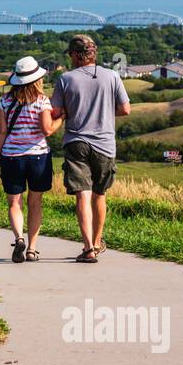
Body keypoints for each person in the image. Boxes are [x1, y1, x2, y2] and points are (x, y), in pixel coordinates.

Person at [49, 34, 130, 263]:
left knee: (82, 195)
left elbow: (55, 113)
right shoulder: (112, 76)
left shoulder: (65, 79)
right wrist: (104, 111)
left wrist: (70, 111)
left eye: (70, 54)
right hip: (105, 143)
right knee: (99, 194)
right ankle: (97, 241)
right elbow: (125, 109)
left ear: (75, 54)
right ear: (93, 53)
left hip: (76, 141)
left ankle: (87, 248)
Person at [0, 55, 63, 263]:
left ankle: (19, 238)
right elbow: (48, 130)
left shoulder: (4, 102)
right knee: (35, 202)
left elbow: (1, 132)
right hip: (38, 157)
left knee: (15, 202)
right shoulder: (42, 101)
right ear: (37, 80)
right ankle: (32, 249)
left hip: (11, 157)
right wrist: (62, 118)